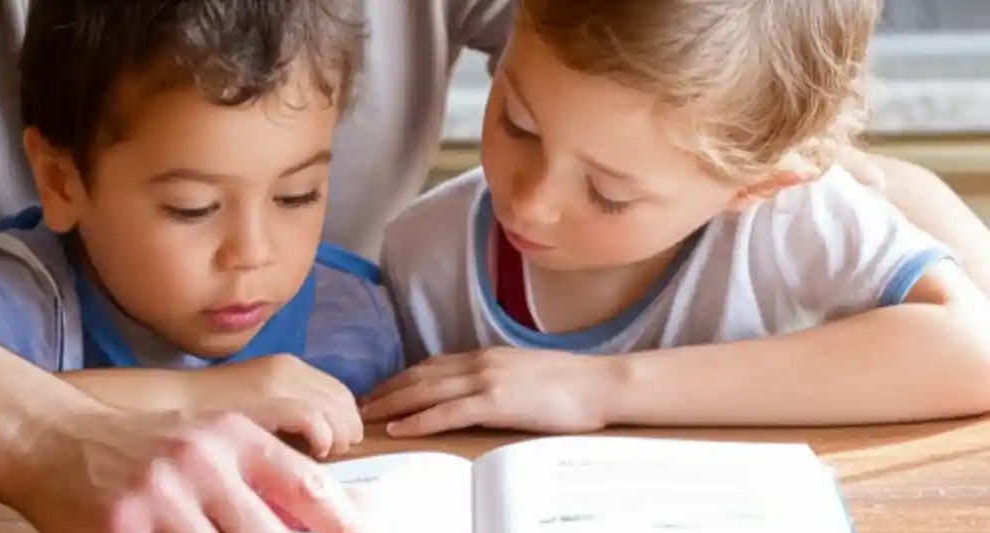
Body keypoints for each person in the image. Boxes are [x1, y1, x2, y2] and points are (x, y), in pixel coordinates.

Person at [0, 1, 983, 533]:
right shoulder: (20, 289)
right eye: (196, 205)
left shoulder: (371, 308)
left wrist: (899, 215)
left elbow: (694, 78)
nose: (250, 252)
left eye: (297, 191)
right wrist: (39, 432)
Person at [364, 0, 990, 437]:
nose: (530, 203)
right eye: (517, 124)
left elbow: (974, 350)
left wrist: (605, 388)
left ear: (756, 185)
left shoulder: (791, 223)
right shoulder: (423, 259)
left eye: (609, 194)